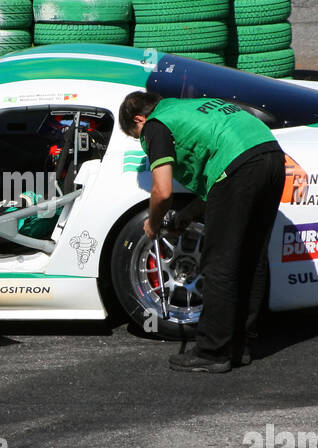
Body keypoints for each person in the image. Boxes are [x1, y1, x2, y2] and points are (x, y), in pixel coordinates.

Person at [119, 91, 285, 373]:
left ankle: (212, 351)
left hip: (239, 165)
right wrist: (188, 215)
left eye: (137, 135)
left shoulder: (156, 124)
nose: (143, 140)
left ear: (139, 119)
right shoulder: (189, 107)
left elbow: (163, 191)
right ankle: (239, 344)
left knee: (219, 262)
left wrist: (153, 224)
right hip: (271, 155)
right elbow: (219, 184)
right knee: (252, 257)